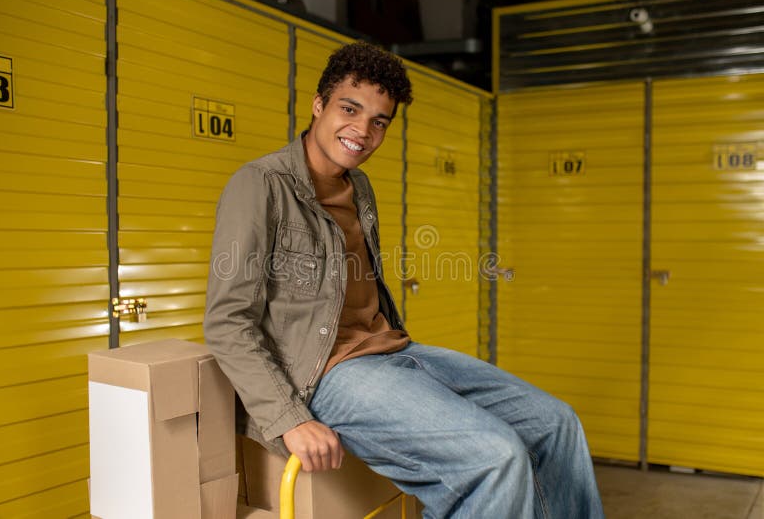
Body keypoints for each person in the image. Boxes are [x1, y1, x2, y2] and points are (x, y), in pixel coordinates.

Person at [204, 41, 604, 518]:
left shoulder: (360, 187)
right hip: (326, 374)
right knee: (496, 458)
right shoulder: (260, 185)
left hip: (392, 351)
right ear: (318, 105)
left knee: (556, 423)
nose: (363, 131)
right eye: (349, 109)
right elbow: (228, 321)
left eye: (379, 121)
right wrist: (289, 419)